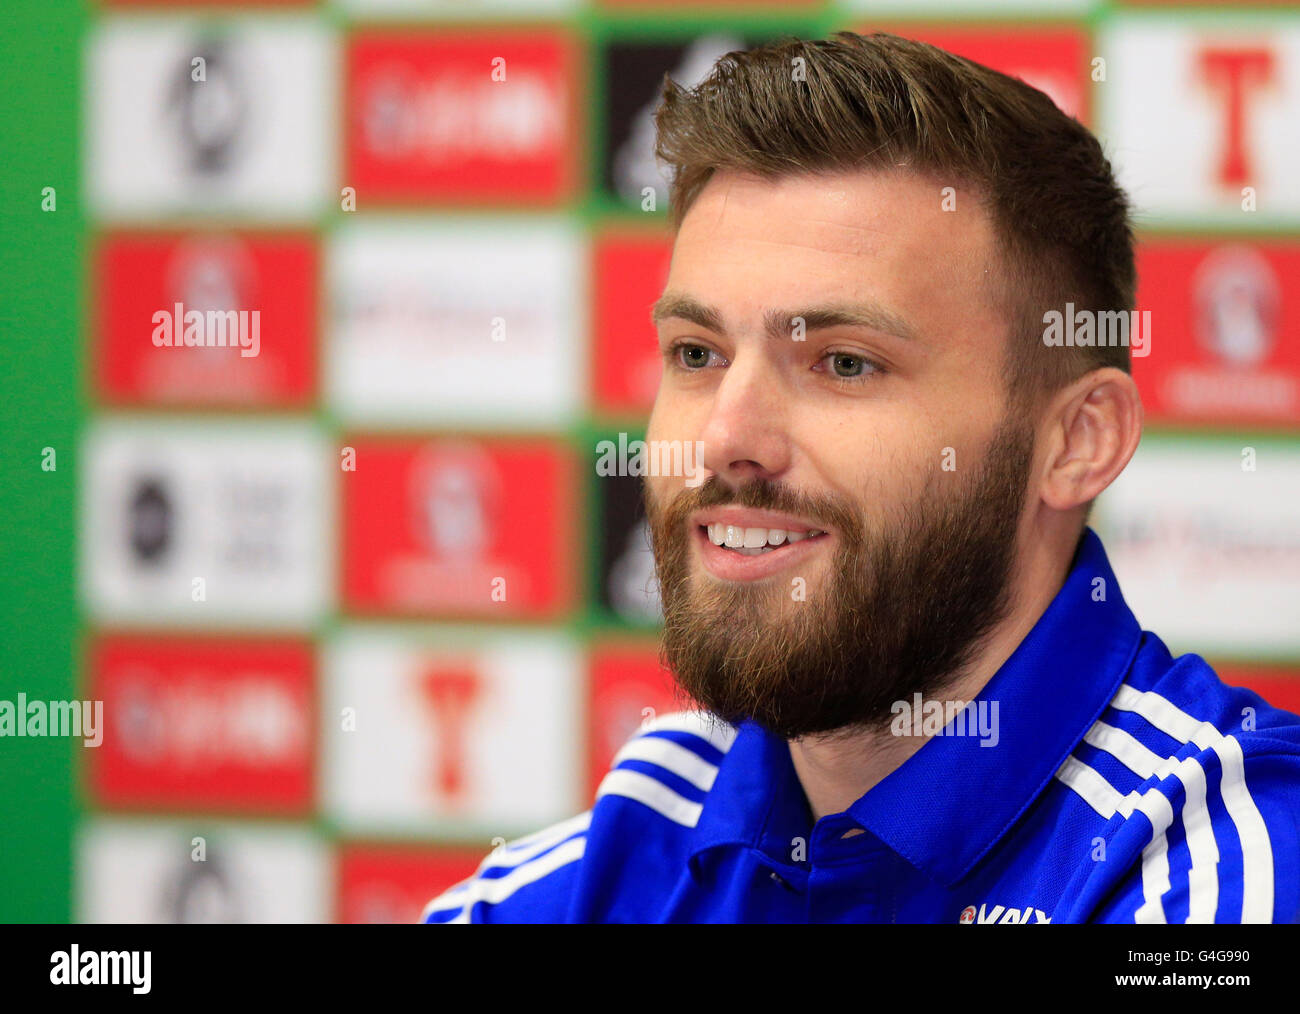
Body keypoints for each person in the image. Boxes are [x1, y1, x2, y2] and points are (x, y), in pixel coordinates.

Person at [420, 30, 1300, 924]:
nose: (726, 437)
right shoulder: (594, 872)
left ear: (1077, 441)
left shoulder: (1221, 877)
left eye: (843, 363)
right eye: (697, 353)